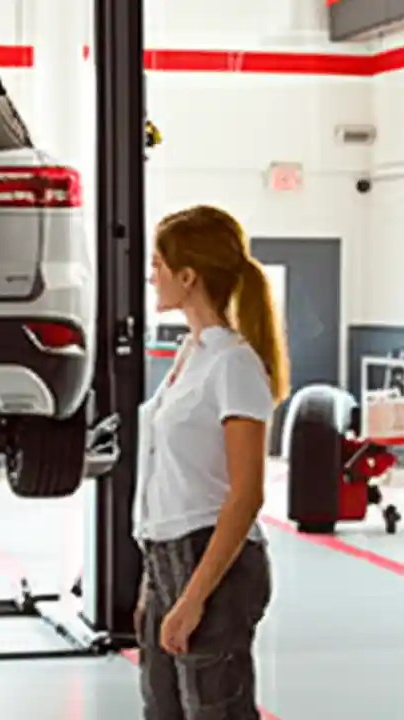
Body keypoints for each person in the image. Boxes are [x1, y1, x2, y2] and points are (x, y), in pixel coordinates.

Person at [134, 204, 289, 719]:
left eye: (157, 264)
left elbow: (246, 496)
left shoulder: (234, 364)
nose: (151, 275)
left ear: (187, 276)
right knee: (162, 710)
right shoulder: (191, 353)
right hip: (165, 557)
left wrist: (194, 596)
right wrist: (155, 586)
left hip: (210, 559)